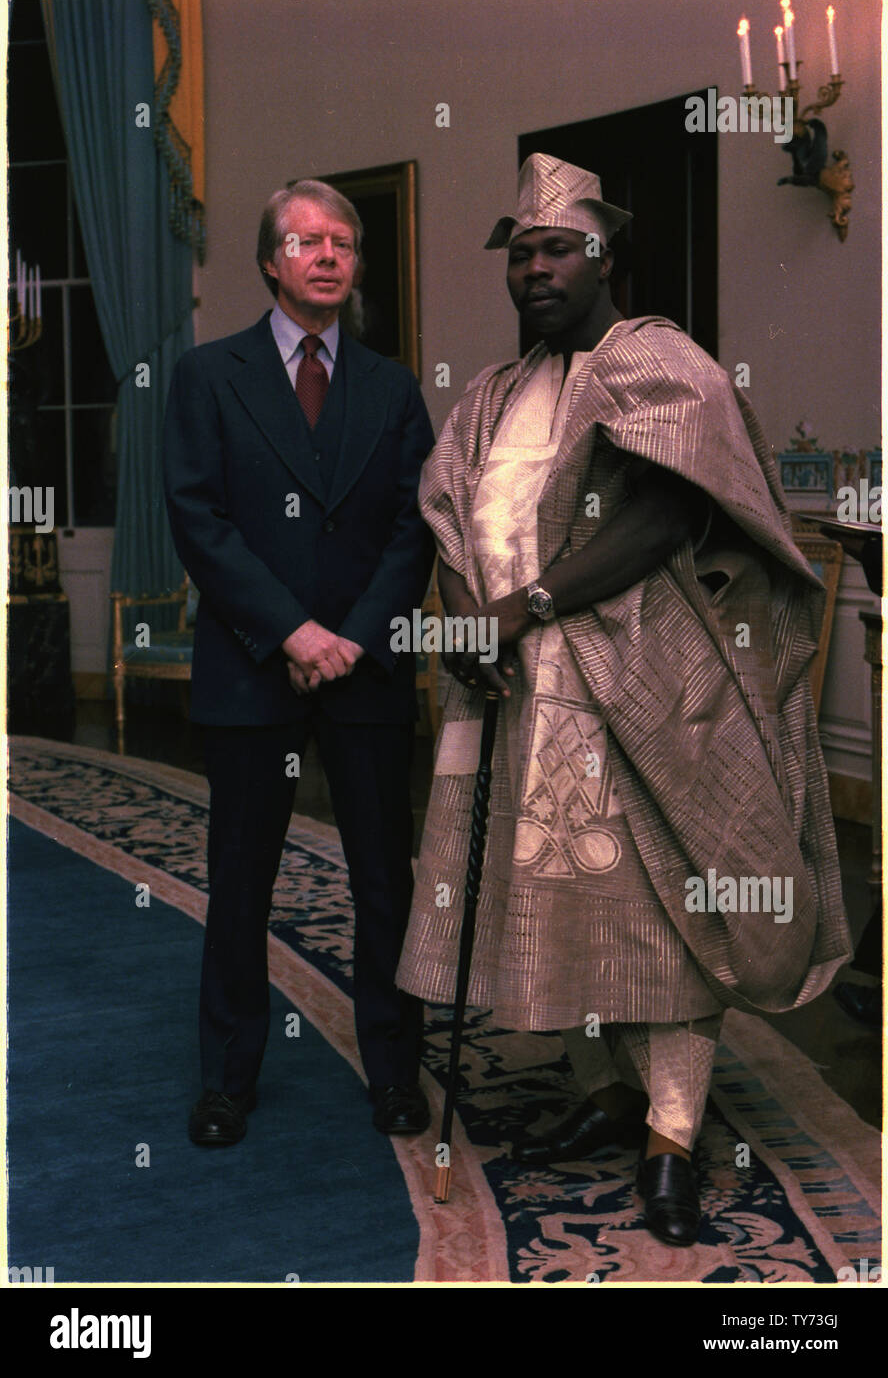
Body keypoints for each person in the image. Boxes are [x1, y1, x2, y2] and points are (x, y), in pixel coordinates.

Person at [396, 153, 851, 1246]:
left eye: (559, 249)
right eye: (522, 253)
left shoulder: (656, 362)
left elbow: (664, 519)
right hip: (505, 692)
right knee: (535, 901)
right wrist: (469, 616)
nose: (537, 268)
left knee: (661, 911)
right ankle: (606, 1090)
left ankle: (675, 1136)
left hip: (628, 682)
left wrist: (531, 603)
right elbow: (449, 524)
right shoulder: (492, 395)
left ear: (606, 256)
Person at [163, 178, 435, 1146]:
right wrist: (293, 632)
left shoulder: (394, 387)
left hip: (365, 672)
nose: (327, 256)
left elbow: (415, 528)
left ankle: (397, 1074)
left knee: (383, 884)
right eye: (306, 241)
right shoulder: (206, 376)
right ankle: (227, 1080)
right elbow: (200, 519)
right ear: (271, 260)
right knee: (241, 879)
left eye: (343, 243)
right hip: (252, 668)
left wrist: (352, 636)